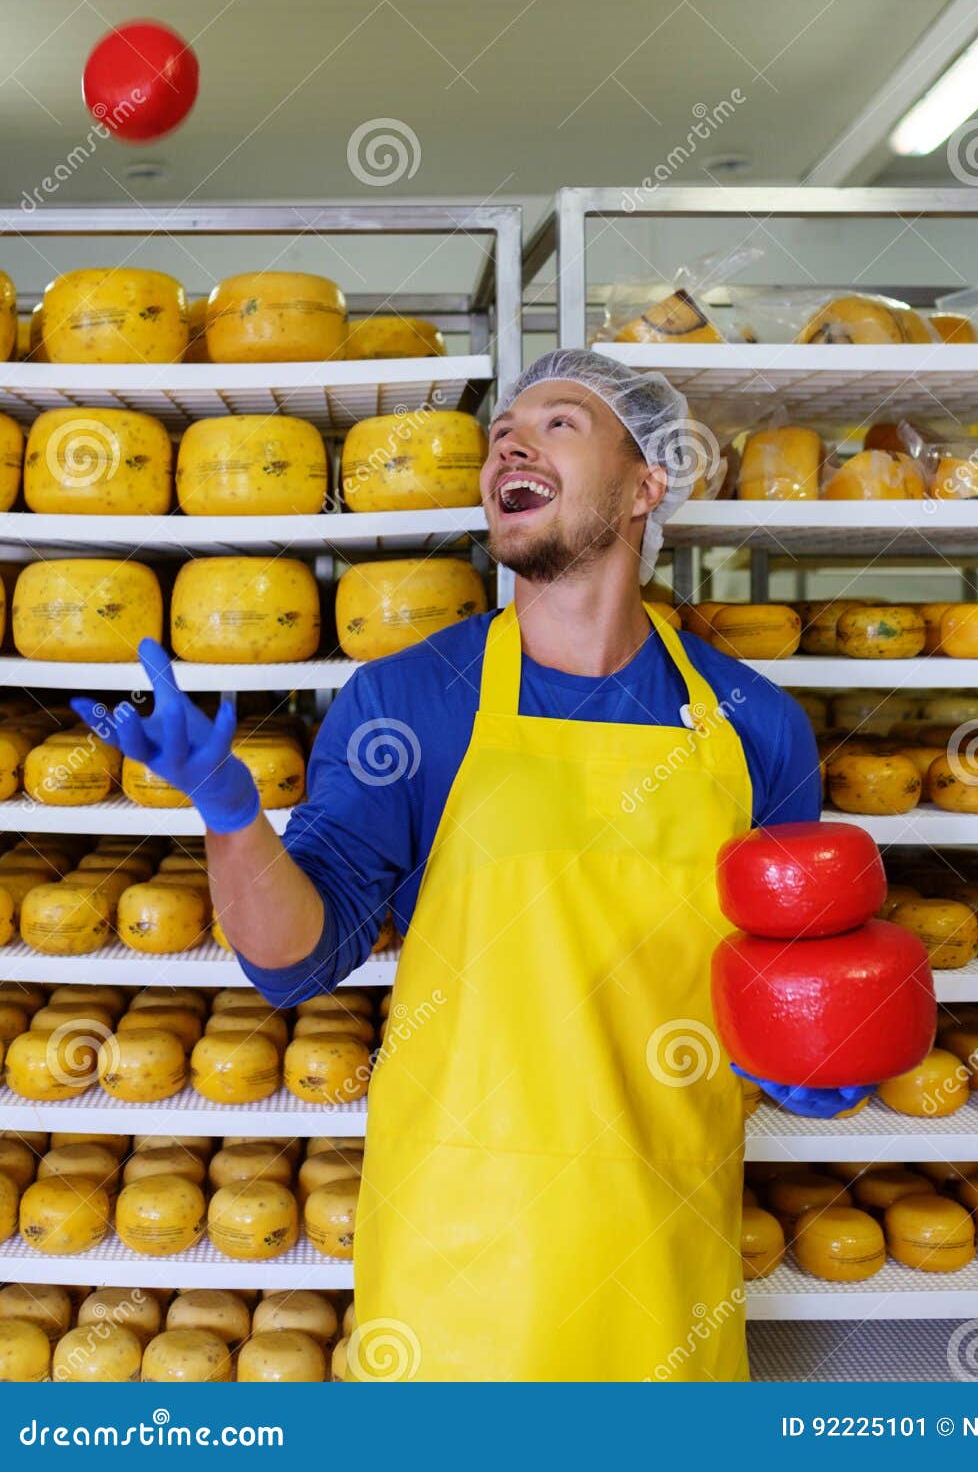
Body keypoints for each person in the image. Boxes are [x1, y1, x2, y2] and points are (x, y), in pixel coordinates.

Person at [76, 350, 870, 1383]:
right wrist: (230, 817)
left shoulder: (755, 723)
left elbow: (796, 979)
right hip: (457, 1253)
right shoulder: (407, 703)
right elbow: (293, 963)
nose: (510, 440)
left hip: (662, 1239)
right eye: (503, 429)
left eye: (559, 423)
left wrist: (818, 1057)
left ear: (645, 484)